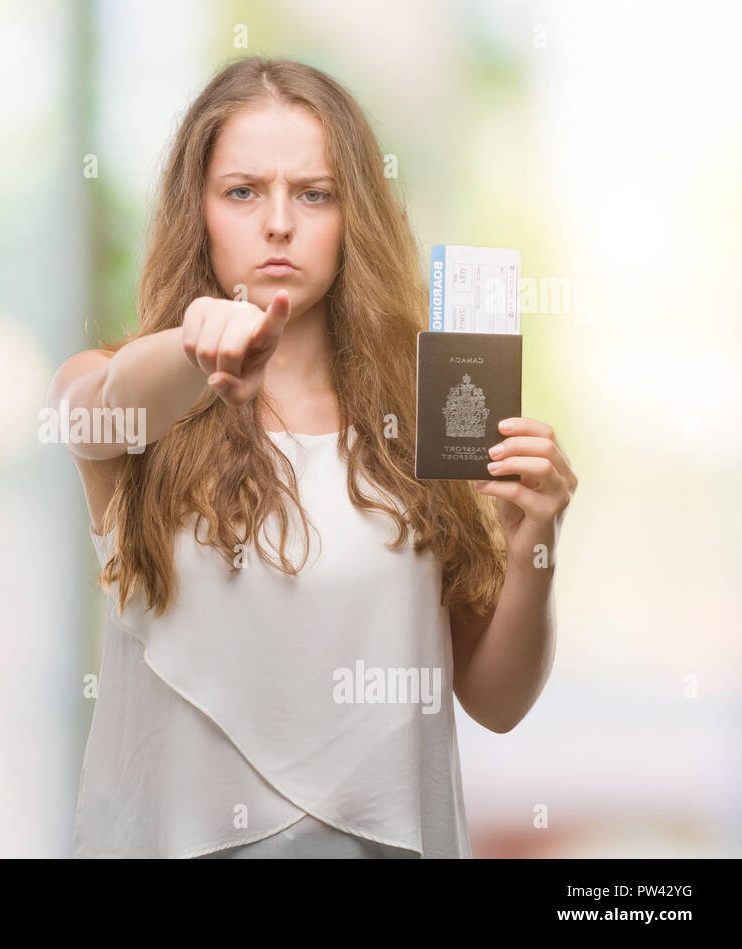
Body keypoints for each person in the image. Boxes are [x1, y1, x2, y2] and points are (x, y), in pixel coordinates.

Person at [46, 57, 578, 859]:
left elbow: (495, 701)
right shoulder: (120, 394)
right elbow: (93, 415)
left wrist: (535, 540)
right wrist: (196, 349)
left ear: (350, 214)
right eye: (243, 191)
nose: (279, 223)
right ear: (199, 211)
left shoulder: (426, 417)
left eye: (314, 193)